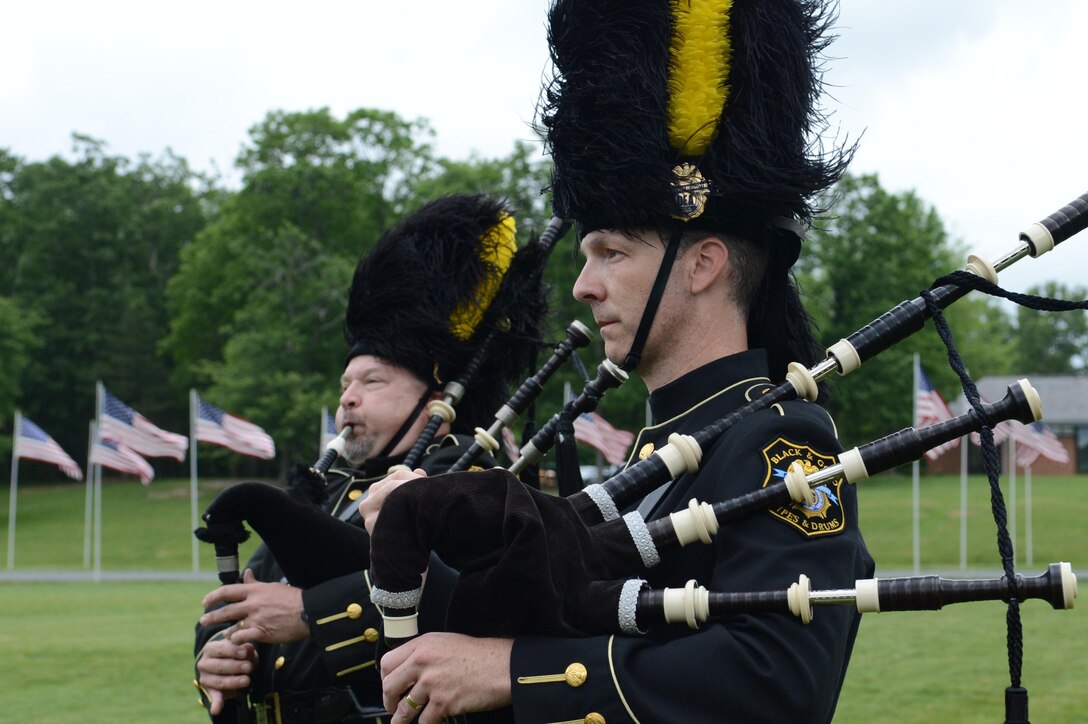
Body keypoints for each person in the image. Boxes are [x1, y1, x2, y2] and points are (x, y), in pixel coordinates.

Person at [364, 1, 875, 722]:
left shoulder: (778, 442)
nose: (583, 285)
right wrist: (414, 533)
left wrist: (516, 671)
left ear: (702, 265)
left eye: (611, 252)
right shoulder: (657, 449)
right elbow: (574, 613)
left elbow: (779, 679)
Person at [193, 193, 547, 723]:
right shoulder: (328, 489)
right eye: (345, 384)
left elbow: (463, 601)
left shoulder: (470, 486)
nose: (349, 399)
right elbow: (244, 598)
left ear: (437, 404)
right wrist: (214, 658)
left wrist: (310, 613)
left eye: (372, 382)